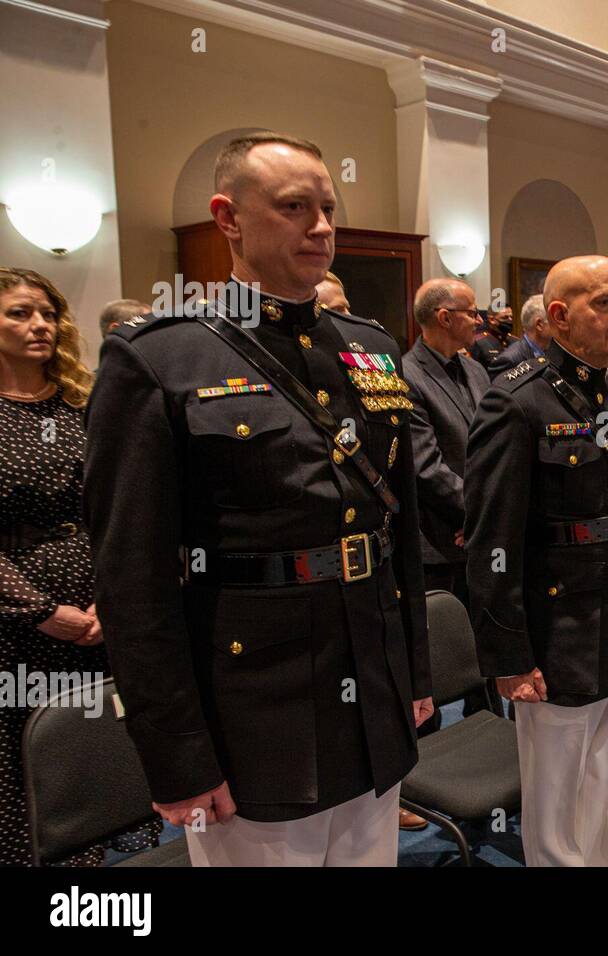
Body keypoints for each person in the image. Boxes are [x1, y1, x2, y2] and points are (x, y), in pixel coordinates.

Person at [84, 132, 433, 867]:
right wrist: (179, 755)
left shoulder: (367, 347)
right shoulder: (160, 357)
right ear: (228, 217)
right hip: (252, 713)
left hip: (370, 688)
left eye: (328, 208)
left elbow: (396, 531)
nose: (323, 227)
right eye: (294, 207)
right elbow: (133, 581)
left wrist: (415, 677)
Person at [465, 254, 608, 867]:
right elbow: (492, 542)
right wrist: (510, 655)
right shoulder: (516, 403)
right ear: (558, 316)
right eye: (604, 303)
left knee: (602, 791)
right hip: (557, 631)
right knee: (553, 807)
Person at [0, 268, 107, 866]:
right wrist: (42, 612)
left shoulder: (84, 404)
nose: (39, 325)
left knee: (98, 749)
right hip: (17, 629)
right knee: (27, 756)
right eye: (19, 313)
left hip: (102, 616)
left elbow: (125, 509)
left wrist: (115, 601)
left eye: (47, 313)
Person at [402, 277, 491, 715]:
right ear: (444, 317)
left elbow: (495, 447)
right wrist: (479, 515)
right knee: (439, 664)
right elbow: (425, 467)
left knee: (486, 654)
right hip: (440, 539)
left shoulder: (474, 367)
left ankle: (489, 738)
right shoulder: (406, 374)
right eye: (472, 312)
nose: (480, 320)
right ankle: (430, 765)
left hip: (477, 533)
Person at [489, 293, 551, 379]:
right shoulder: (509, 360)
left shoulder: (551, 352)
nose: (559, 326)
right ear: (539, 325)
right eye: (552, 321)